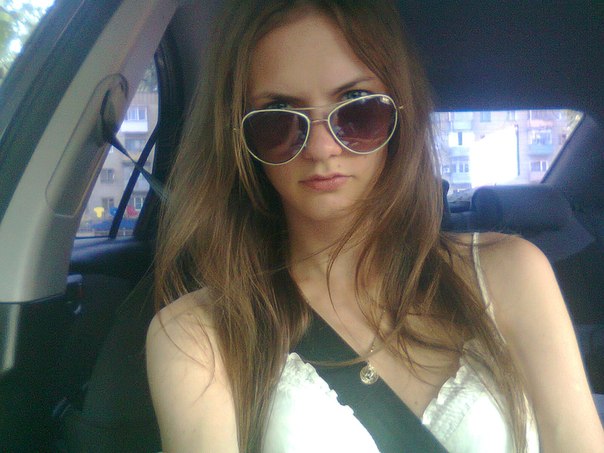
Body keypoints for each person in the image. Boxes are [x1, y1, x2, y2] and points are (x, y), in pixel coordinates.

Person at [145, 1, 604, 452]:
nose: (322, 147)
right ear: (240, 137)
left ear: (399, 115)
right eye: (279, 118)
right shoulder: (198, 333)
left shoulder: (512, 273)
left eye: (356, 108)